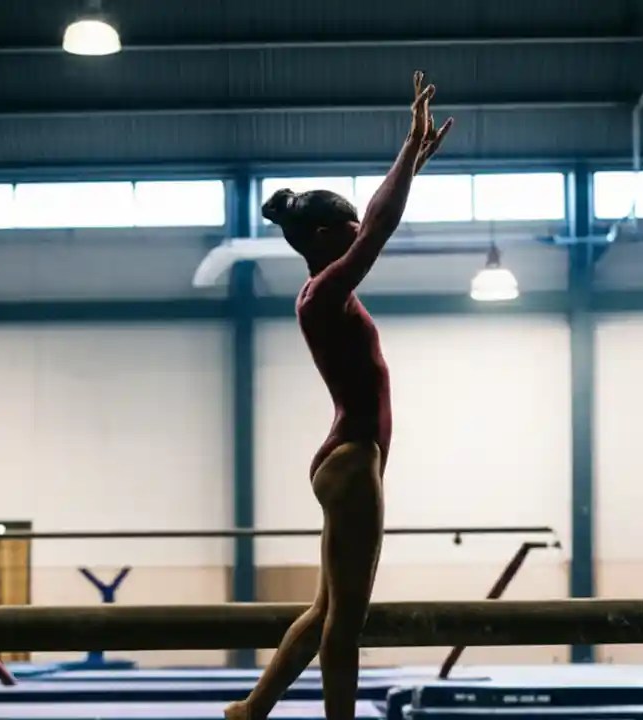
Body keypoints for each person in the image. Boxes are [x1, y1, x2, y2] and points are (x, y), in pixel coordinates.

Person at [225, 70, 453, 720]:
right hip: (352, 462)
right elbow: (381, 223)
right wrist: (409, 151)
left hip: (348, 458)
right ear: (325, 239)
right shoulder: (324, 294)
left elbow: (373, 223)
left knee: (329, 609)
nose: (361, 233)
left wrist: (411, 160)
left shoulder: (324, 295)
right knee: (345, 623)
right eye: (349, 227)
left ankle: (252, 708)